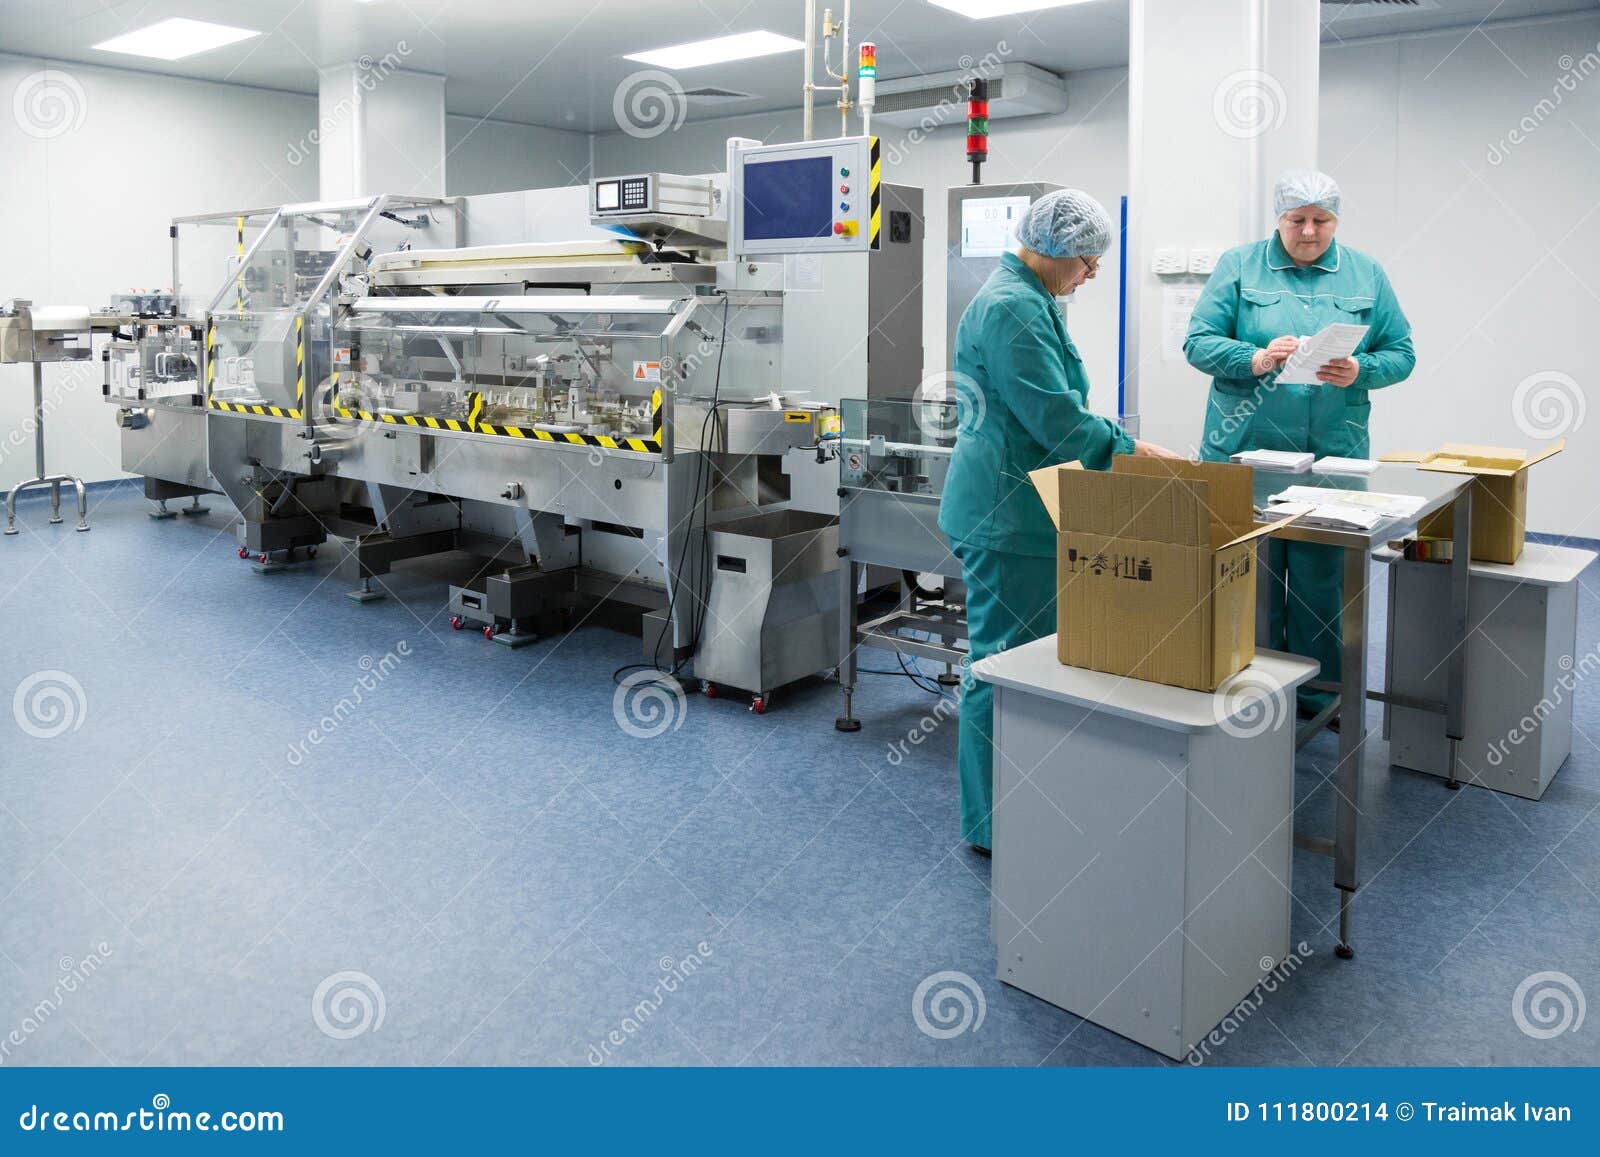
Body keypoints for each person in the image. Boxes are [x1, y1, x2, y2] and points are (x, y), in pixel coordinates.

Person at [939, 189, 1180, 854]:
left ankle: (1025, 802)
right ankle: (990, 825)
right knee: (999, 664)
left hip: (1024, 506)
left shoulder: (1029, 299)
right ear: (1055, 250)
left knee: (1028, 660)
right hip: (1003, 513)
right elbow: (1055, 419)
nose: (1092, 273)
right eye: (1087, 260)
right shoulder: (1013, 307)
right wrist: (1133, 450)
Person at [1184, 170, 1415, 720]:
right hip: (1245, 449)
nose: (1309, 232)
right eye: (1297, 220)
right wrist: (1256, 358)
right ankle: (1244, 689)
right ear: (1279, 219)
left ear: (1335, 220)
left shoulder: (1366, 273)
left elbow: (1402, 353)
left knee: (1321, 579)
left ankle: (1319, 697)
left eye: (1321, 220)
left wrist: (1360, 369)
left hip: (1332, 454)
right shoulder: (1239, 267)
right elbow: (1197, 343)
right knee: (1246, 577)